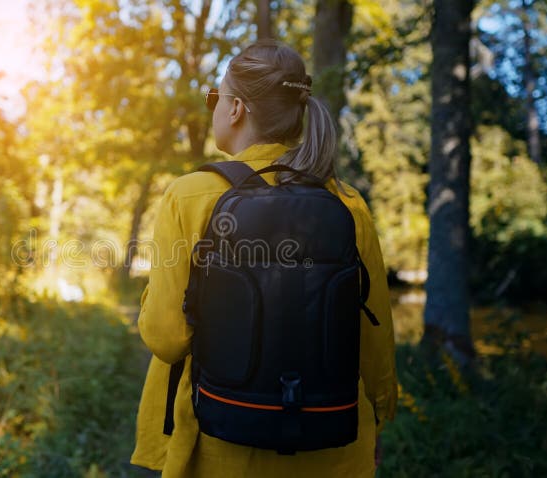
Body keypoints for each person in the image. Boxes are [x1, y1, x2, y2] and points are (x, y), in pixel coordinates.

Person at [129, 39, 397, 478]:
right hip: (328, 445)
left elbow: (167, 338)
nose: (212, 106)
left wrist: (152, 296)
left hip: (217, 443)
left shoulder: (190, 196)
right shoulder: (347, 203)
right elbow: (374, 330)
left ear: (235, 109)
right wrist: (380, 410)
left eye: (215, 96)